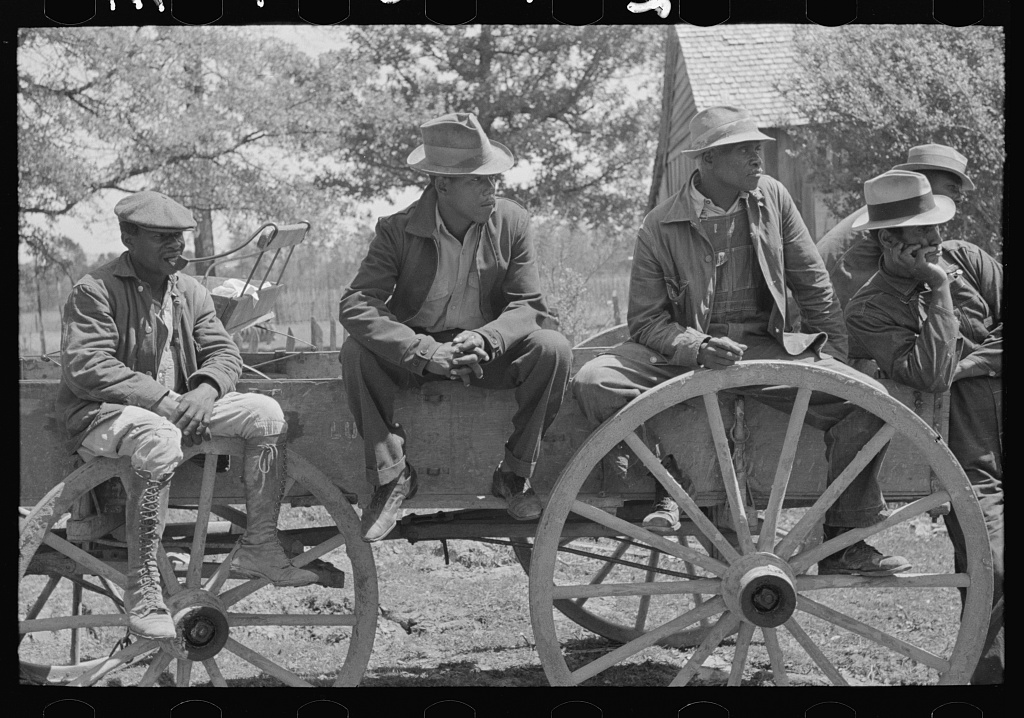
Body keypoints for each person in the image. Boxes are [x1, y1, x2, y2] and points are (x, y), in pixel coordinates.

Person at [572, 105, 910, 576]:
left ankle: (844, 545)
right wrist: (695, 346)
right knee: (594, 380)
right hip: (682, 358)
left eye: (758, 149)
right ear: (707, 161)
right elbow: (646, 322)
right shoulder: (660, 225)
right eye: (745, 150)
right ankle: (669, 488)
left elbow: (814, 288)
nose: (758, 158)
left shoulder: (773, 199)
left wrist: (834, 359)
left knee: (869, 401)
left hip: (766, 350)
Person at [57, 190, 318, 642]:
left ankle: (259, 545)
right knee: (158, 436)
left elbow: (223, 352)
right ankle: (144, 591)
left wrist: (206, 388)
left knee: (265, 413)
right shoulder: (95, 289)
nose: (176, 246)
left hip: (176, 411)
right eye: (163, 237)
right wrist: (163, 399)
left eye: (179, 237)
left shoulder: (188, 291)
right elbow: (88, 366)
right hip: (104, 416)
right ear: (128, 237)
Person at [338, 112, 572, 543]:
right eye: (478, 180)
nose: (492, 188)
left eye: (493, 178)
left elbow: (529, 305)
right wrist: (426, 352)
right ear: (442, 184)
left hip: (489, 351)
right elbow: (356, 304)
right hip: (420, 354)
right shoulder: (397, 230)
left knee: (552, 347)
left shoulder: (511, 222)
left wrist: (488, 337)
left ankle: (515, 474)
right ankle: (392, 477)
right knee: (355, 353)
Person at [844, 170, 1002, 684]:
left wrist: (976, 363)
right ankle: (985, 679)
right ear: (888, 242)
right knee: (995, 568)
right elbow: (932, 376)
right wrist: (938, 290)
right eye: (922, 235)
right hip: (965, 461)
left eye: (936, 229)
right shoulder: (870, 308)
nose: (936, 242)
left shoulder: (969, 259)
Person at [817, 144, 975, 309]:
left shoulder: (902, 214)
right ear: (922, 182)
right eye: (952, 188)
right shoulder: (889, 225)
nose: (959, 197)